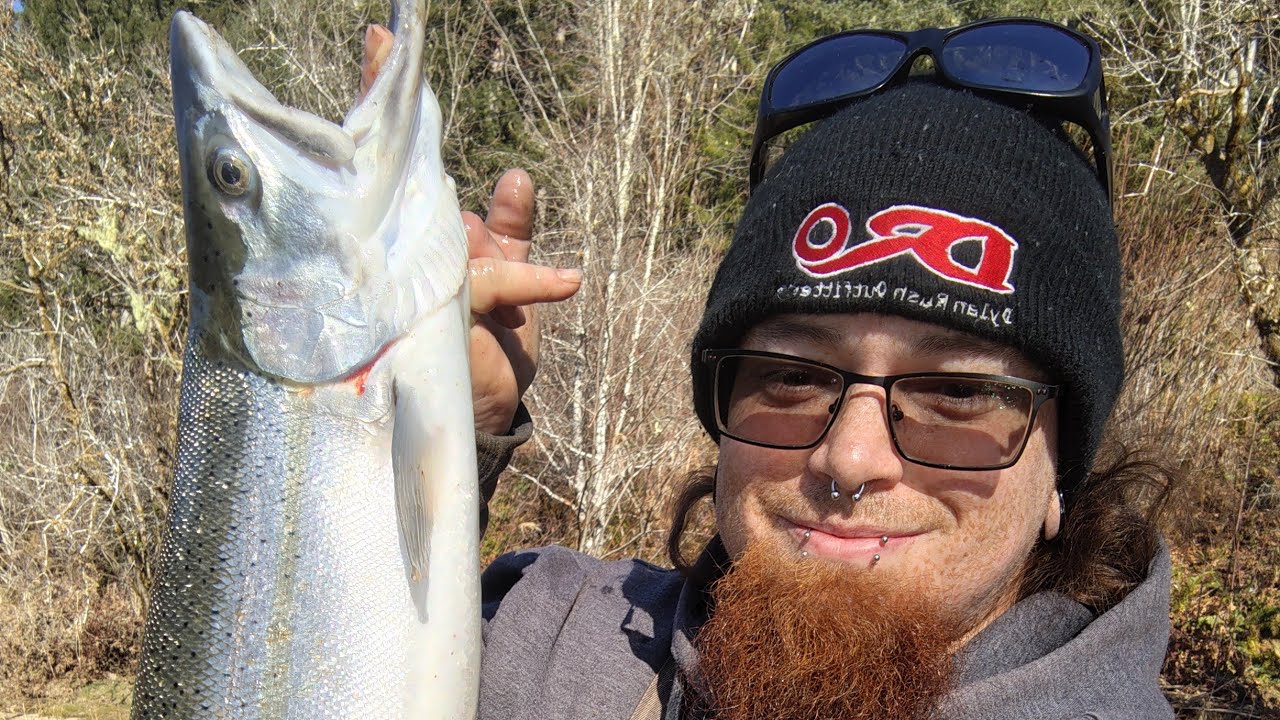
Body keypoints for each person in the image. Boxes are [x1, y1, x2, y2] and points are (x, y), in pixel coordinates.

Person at [366, 18, 1174, 720]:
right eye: (793, 376)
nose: (850, 460)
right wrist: (414, 428)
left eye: (957, 392)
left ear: (1061, 465)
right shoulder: (545, 646)